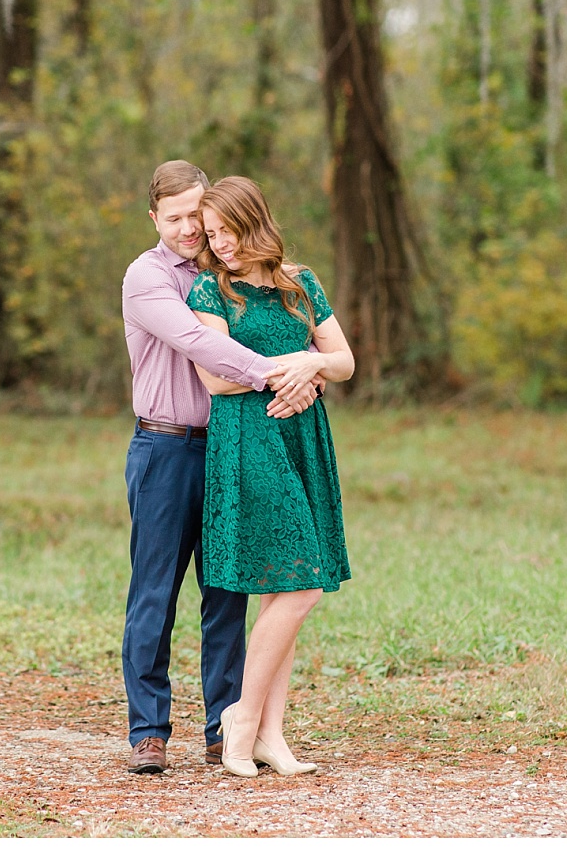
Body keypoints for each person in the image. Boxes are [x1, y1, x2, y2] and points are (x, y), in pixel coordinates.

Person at [119, 161, 326, 775]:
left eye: (197, 216)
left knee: (228, 591)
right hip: (166, 448)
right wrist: (285, 374)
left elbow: (287, 331)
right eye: (175, 218)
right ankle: (149, 731)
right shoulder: (148, 276)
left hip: (230, 446)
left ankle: (224, 726)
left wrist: (310, 369)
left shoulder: (225, 272)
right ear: (154, 218)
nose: (189, 229)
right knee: (155, 591)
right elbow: (201, 345)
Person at [186, 175, 354, 778]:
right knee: (301, 584)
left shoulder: (301, 283)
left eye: (227, 231)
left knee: (288, 586)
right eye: (211, 235)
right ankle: (243, 718)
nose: (220, 244)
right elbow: (216, 378)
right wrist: (297, 372)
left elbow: (344, 361)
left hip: (301, 438)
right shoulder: (210, 290)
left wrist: (314, 363)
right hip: (249, 441)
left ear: (254, 222)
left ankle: (271, 735)